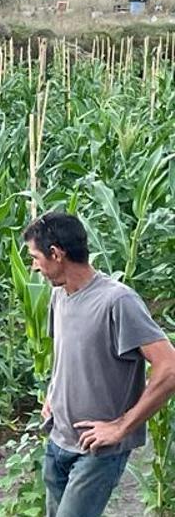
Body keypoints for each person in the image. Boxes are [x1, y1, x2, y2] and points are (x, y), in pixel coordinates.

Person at [24, 211, 175, 517]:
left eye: (35, 257)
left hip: (97, 451)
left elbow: (169, 367)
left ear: (56, 253)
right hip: (58, 440)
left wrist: (121, 426)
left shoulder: (117, 301)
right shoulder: (59, 296)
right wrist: (53, 393)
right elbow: (67, 352)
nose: (34, 266)